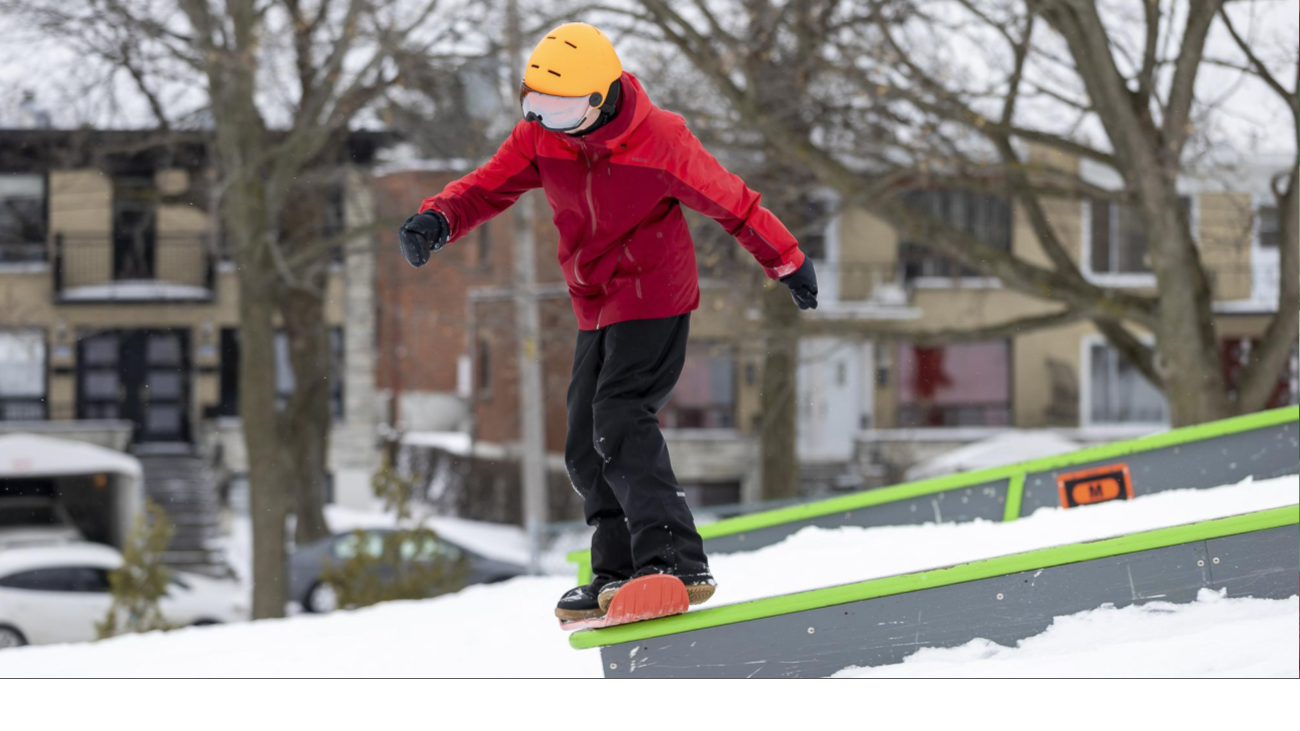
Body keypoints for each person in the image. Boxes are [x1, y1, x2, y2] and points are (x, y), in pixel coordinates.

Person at [398, 22, 817, 622]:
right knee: (582, 442)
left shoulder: (660, 139)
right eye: (535, 105)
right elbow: (485, 188)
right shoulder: (541, 137)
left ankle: (675, 559)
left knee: (619, 416)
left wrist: (787, 260)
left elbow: (733, 203)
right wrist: (436, 219)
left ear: (601, 97)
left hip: (655, 294)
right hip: (593, 300)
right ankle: (617, 571)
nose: (546, 122)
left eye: (561, 110)